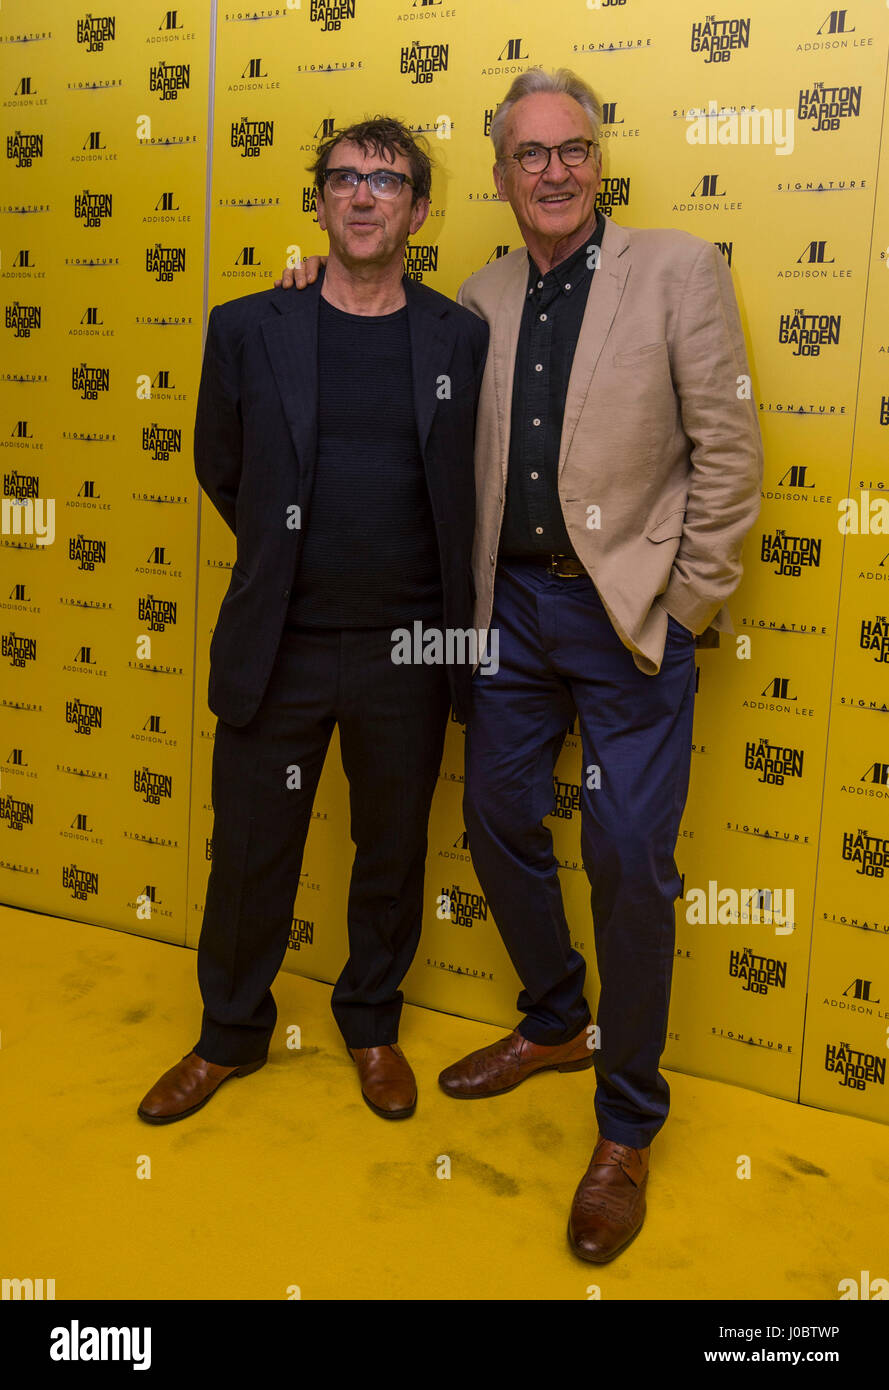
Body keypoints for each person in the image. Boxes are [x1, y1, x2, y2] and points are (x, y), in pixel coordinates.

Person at [279, 67, 763, 1263]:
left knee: (626, 854)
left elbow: (730, 451)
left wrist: (683, 607)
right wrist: (308, 289)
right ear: (495, 180)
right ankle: (556, 1015)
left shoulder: (679, 271)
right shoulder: (475, 299)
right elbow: (373, 336)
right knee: (496, 813)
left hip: (627, 622)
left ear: (597, 163)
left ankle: (626, 1124)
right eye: (528, 155)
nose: (553, 171)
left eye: (572, 150)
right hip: (505, 618)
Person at [137, 116, 488, 1127]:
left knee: (390, 847)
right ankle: (227, 1035)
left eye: (388, 181)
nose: (365, 195)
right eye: (345, 178)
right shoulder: (250, 326)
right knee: (251, 848)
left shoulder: (459, 337)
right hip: (280, 640)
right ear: (321, 200)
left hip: (411, 648)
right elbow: (222, 466)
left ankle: (371, 1020)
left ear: (420, 210)